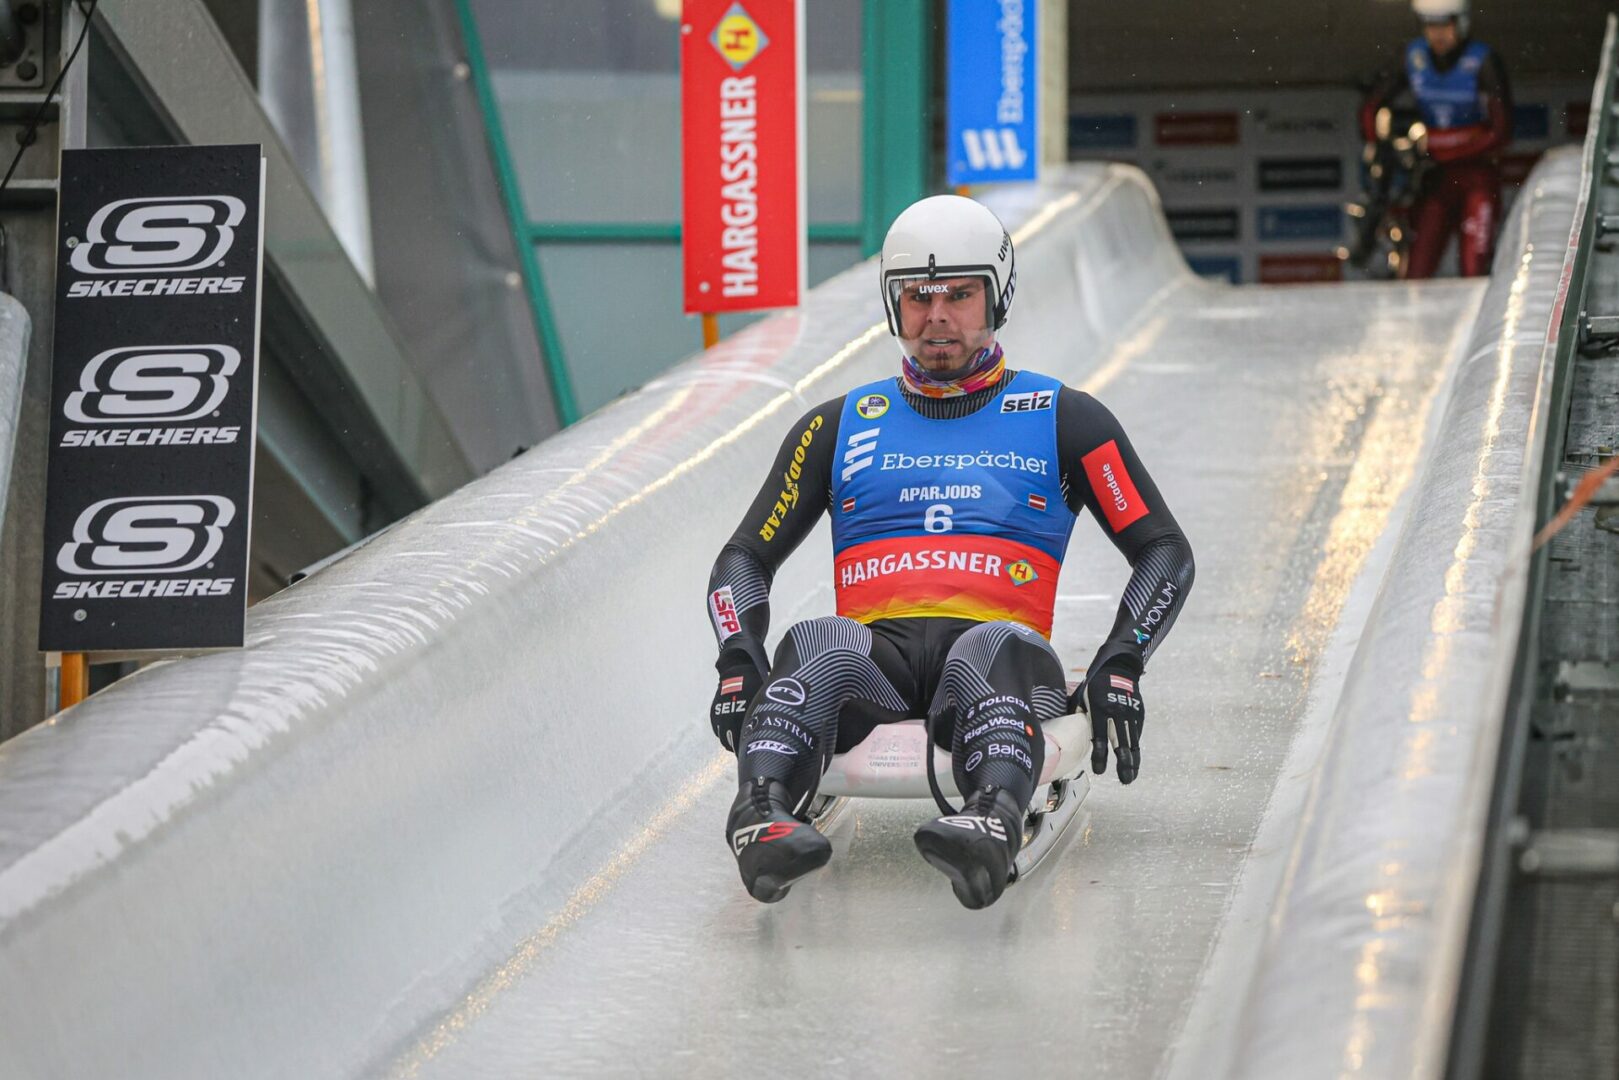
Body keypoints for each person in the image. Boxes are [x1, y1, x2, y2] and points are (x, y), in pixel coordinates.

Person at [704, 195, 1194, 910]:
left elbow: (1163, 549)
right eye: (918, 297)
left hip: (994, 661)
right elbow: (744, 557)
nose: (936, 317)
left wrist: (1122, 659)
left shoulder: (1065, 418)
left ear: (997, 298)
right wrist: (737, 658)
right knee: (815, 641)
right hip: (875, 666)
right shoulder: (836, 426)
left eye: (959, 296)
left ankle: (992, 817)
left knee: (996, 646)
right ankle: (760, 813)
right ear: (893, 305)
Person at [1359, 0, 1512, 279]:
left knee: (1475, 267)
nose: (1437, 34)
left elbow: (1501, 132)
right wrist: (1380, 146)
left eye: (1445, 25)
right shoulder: (1413, 56)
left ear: (1461, 23)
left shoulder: (1482, 60)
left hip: (1477, 179)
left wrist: (1442, 151)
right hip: (1434, 180)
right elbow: (1372, 106)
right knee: (1416, 269)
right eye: (1430, 25)